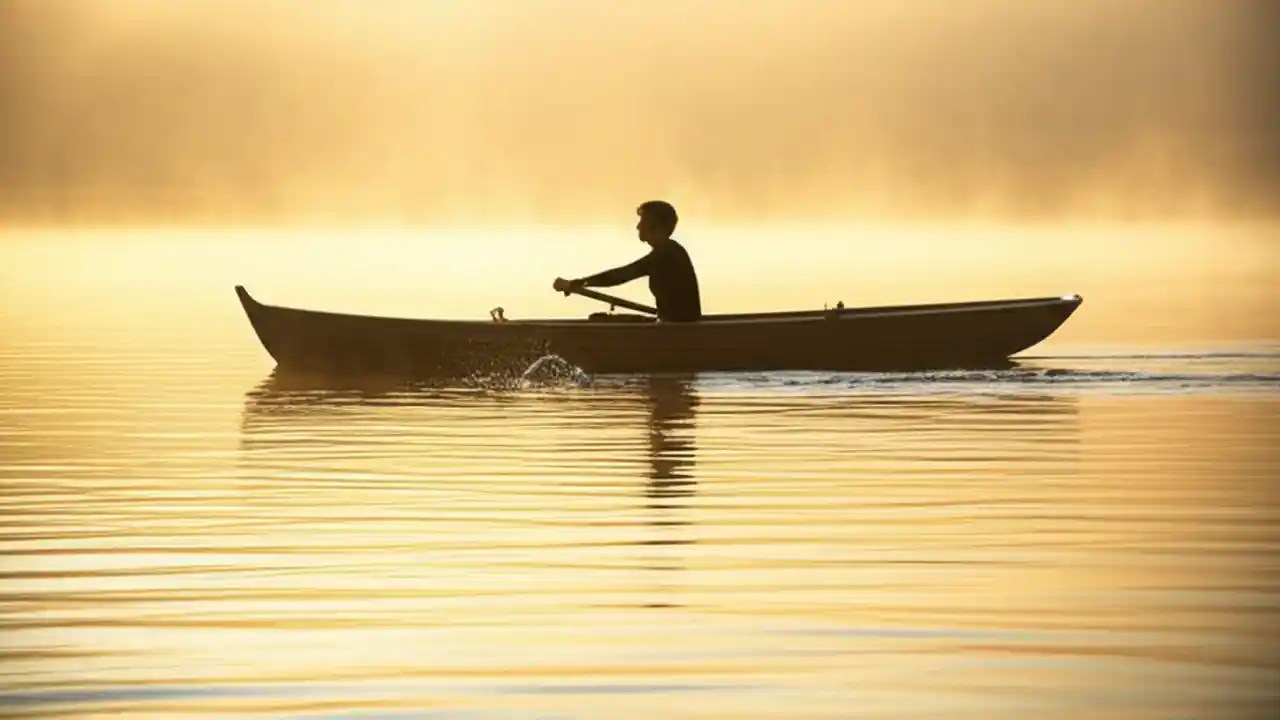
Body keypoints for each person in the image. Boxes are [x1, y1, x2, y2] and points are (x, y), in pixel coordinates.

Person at [554, 201, 702, 322]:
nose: (638, 226)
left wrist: (581, 282)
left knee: (600, 321)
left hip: (673, 327)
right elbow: (621, 275)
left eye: (642, 221)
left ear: (655, 226)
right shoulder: (668, 251)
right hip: (669, 324)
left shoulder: (666, 254)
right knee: (600, 319)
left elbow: (621, 275)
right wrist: (581, 282)